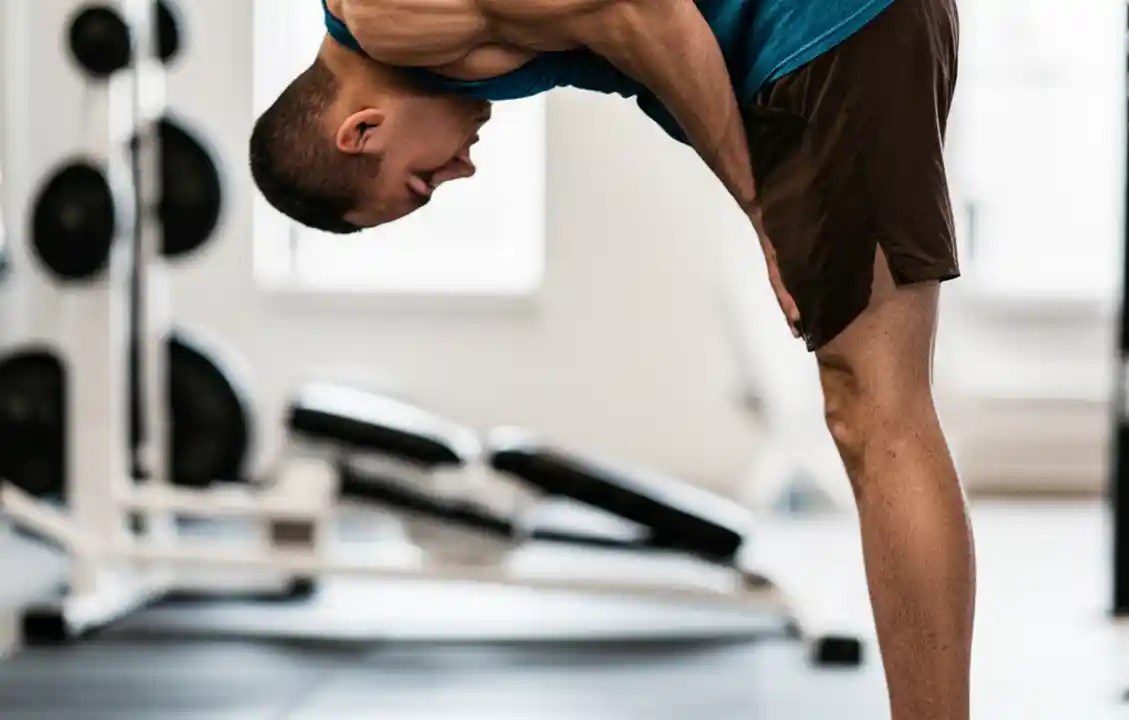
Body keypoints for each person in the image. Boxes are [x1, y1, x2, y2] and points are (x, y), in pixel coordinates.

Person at [251, 0, 974, 716]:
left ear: (363, 130)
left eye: (423, 181)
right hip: (827, 43)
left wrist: (759, 212)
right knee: (868, 411)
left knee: (877, 412)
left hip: (831, 29)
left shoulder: (386, 13)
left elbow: (646, 10)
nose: (460, 170)